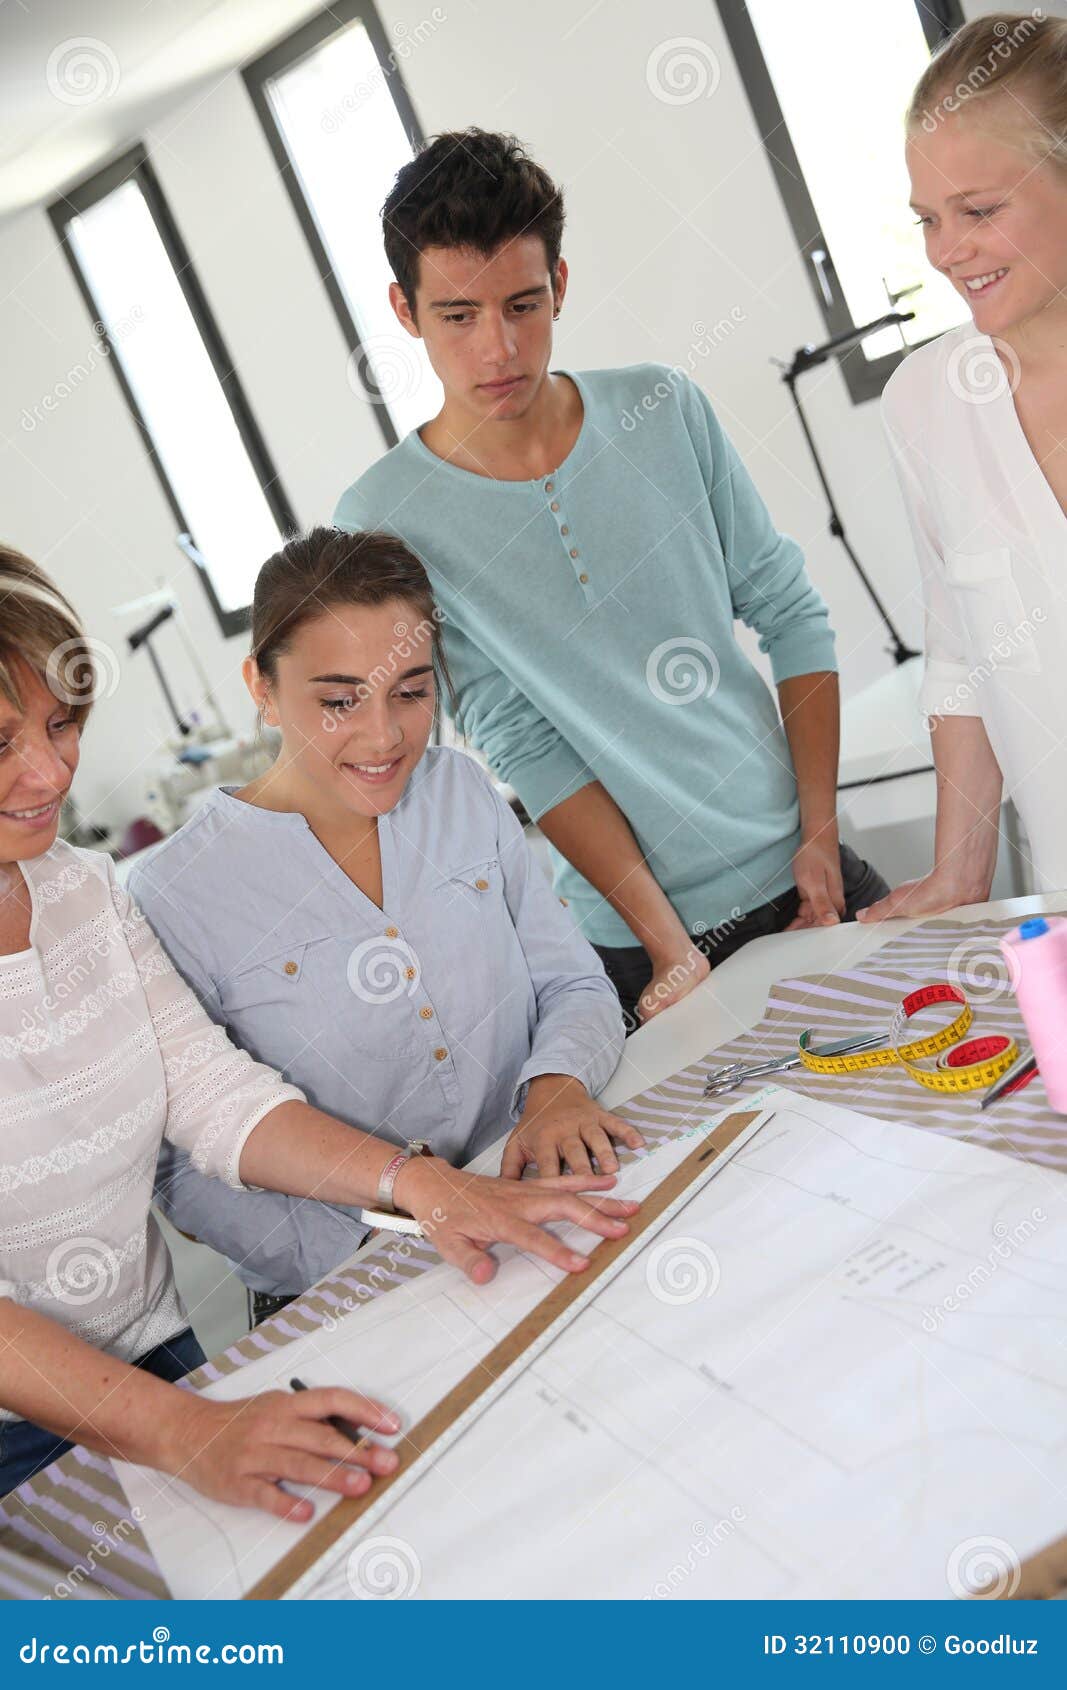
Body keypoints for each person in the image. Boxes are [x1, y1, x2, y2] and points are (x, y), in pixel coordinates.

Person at [0, 546, 637, 1502]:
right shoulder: (174, 886)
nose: (50, 771)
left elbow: (212, 1097)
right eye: (0, 741)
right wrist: (389, 1232)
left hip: (152, 1355)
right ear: (261, 686)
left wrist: (419, 1185)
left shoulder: (83, 895)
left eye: (61, 724)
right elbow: (198, 1175)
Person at [333, 128, 888, 1030]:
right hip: (638, 946)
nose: (498, 351)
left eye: (522, 305)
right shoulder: (382, 517)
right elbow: (519, 737)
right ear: (405, 311)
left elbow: (789, 615)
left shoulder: (660, 408)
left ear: (559, 283)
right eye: (457, 317)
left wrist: (820, 835)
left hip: (806, 872)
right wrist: (668, 942)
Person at [130, 528, 635, 1315]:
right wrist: (372, 1249)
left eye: (410, 690)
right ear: (260, 689)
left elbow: (571, 981)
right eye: (338, 701)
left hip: (535, 1191)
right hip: (358, 1278)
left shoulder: (463, 794)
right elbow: (182, 1166)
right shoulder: (174, 893)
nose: (384, 736)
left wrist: (559, 1092)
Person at [858, 13, 1067, 923]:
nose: (945, 251)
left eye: (979, 212)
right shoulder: (926, 403)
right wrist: (958, 873)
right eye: (928, 220)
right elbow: (960, 654)